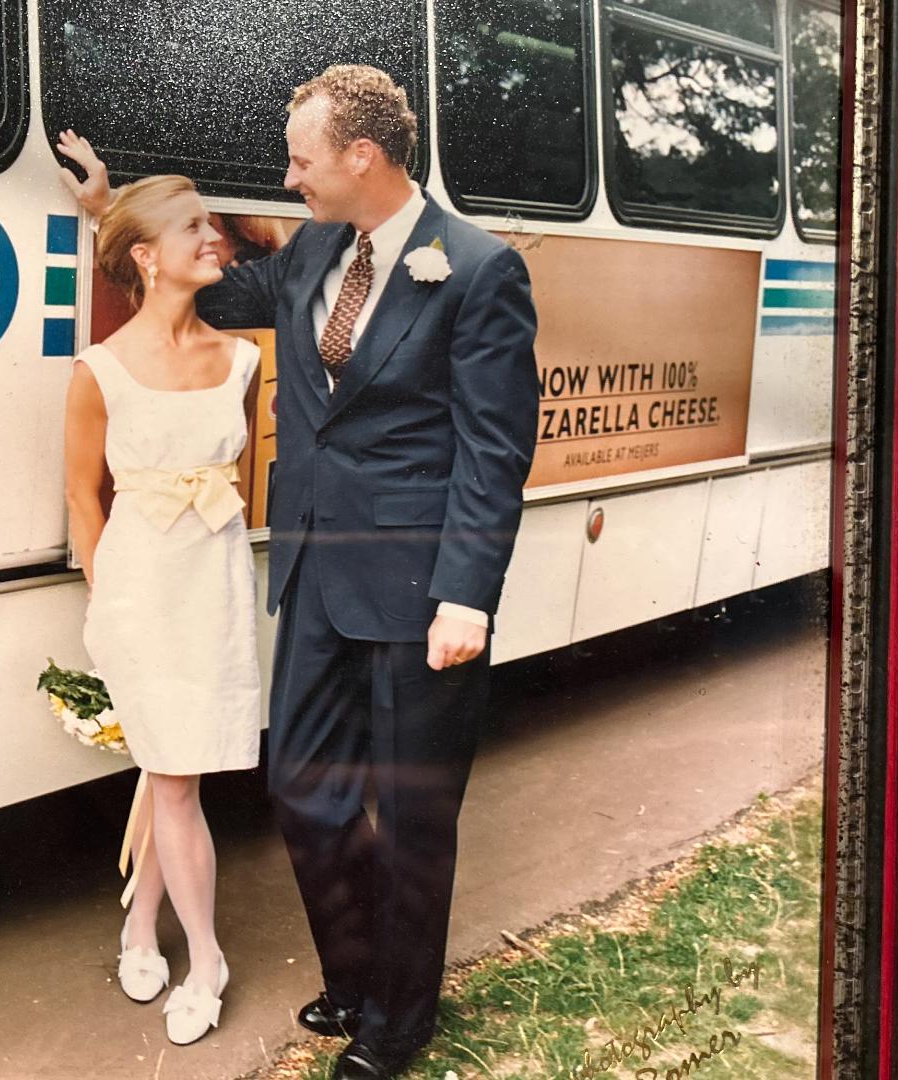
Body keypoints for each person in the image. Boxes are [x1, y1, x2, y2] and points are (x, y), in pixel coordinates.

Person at [58, 64, 539, 1080]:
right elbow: (195, 285)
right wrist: (111, 213)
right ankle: (364, 973)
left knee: (411, 814)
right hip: (318, 573)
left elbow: (496, 450)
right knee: (303, 786)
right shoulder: (318, 248)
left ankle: (396, 1022)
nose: (289, 180)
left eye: (301, 159)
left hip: (419, 589)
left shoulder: (481, 271)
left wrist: (467, 593)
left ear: (362, 156)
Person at [60, 174, 263, 1047]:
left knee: (173, 769)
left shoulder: (244, 360)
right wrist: (110, 603)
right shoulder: (98, 370)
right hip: (139, 587)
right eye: (192, 227)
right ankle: (207, 958)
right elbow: (81, 499)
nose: (212, 237)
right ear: (146, 257)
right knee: (173, 772)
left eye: (212, 224)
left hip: (213, 581)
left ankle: (143, 928)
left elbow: (240, 483)